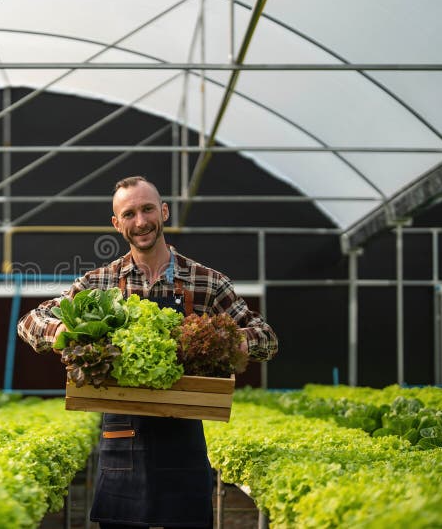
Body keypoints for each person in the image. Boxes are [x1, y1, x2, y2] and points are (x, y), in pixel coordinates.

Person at [17, 175, 278, 529]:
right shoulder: (99, 283)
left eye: (147, 209)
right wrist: (65, 331)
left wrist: (222, 342)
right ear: (116, 223)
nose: (140, 222)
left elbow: (266, 338)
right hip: (121, 441)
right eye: (129, 214)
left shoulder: (207, 282)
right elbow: (30, 322)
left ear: (164, 211)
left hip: (184, 438)